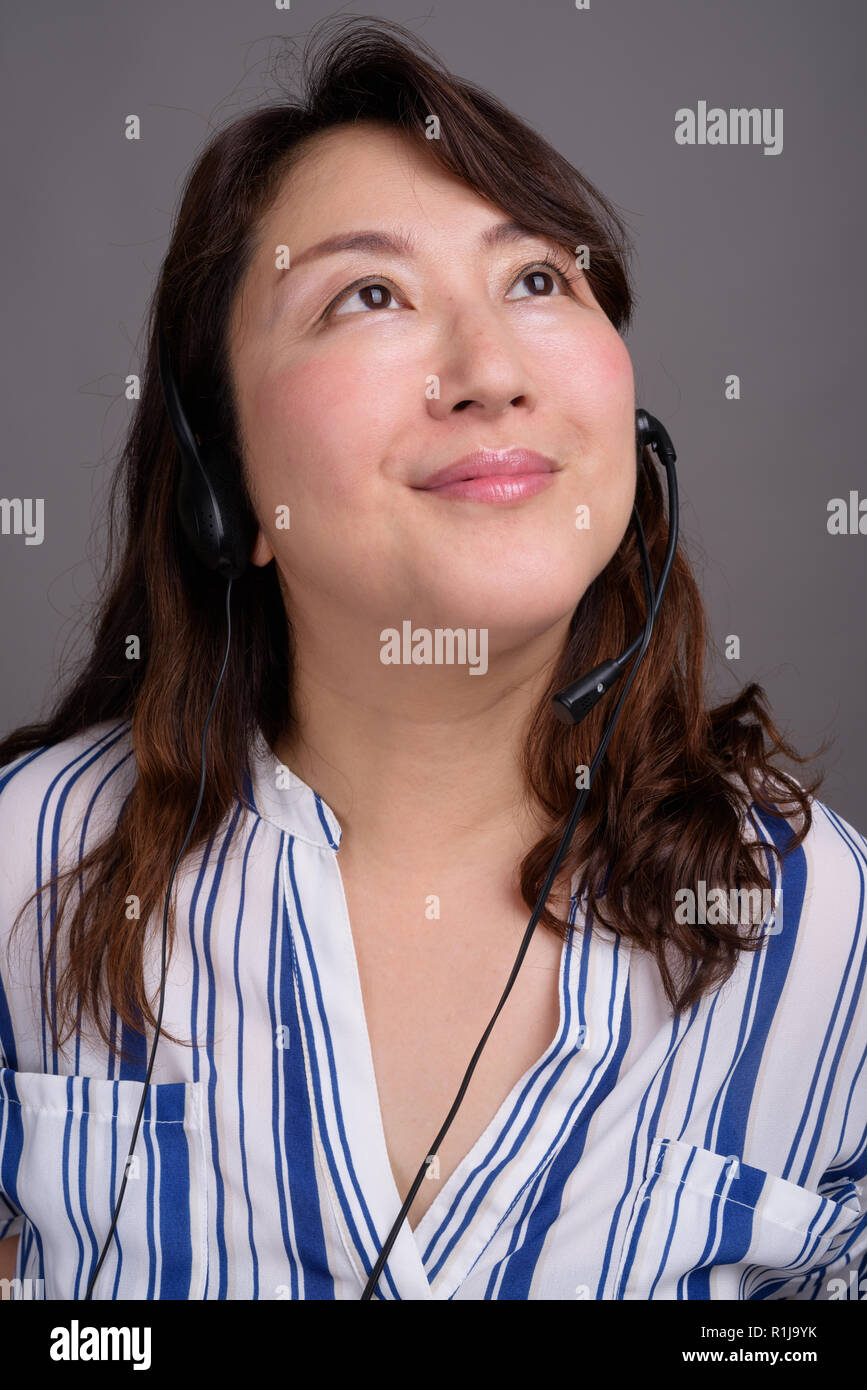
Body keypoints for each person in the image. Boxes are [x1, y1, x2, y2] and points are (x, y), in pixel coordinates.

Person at [0, 17, 864, 1302]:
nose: (490, 371)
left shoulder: (823, 921)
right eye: (368, 294)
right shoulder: (27, 866)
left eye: (536, 280)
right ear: (225, 488)